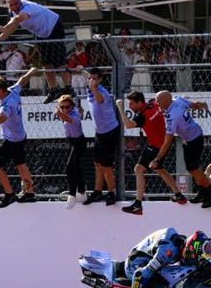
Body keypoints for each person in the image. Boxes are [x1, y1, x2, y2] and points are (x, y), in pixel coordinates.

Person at [0, 0, 73, 104]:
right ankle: (54, 90)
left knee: (60, 61)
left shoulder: (28, 7)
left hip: (54, 26)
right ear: (8, 5)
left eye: (16, 3)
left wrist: (5, 28)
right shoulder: (12, 12)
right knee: (46, 63)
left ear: (20, 1)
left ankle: (69, 88)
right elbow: (12, 28)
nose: (15, 7)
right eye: (11, 5)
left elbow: (17, 20)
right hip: (41, 34)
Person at [116, 91, 187, 215]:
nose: (130, 106)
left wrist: (120, 108)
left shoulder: (143, 115)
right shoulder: (153, 104)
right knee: (159, 169)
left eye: (132, 104)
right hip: (164, 143)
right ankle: (179, 195)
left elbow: (128, 125)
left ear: (139, 103)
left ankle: (138, 204)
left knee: (139, 169)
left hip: (156, 146)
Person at [0, 68, 38, 208]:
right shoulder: (12, 90)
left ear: (0, 90)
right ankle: (30, 193)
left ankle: (9, 193)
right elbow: (22, 80)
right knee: (20, 164)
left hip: (11, 139)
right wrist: (32, 71)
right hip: (20, 136)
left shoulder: (6, 105)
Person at [151, 90, 211, 208]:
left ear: (166, 101)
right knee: (192, 169)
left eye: (158, 101)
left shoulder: (172, 117)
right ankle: (203, 192)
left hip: (193, 140)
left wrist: (157, 159)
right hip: (193, 137)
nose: (157, 104)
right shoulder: (178, 99)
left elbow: (167, 142)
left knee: (193, 169)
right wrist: (201, 105)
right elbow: (192, 105)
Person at [82, 68, 119, 207]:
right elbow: (87, 75)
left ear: (100, 80)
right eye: (90, 78)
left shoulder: (102, 92)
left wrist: (92, 86)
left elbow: (100, 99)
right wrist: (83, 71)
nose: (91, 80)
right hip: (99, 132)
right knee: (97, 163)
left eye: (94, 79)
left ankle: (111, 193)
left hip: (109, 131)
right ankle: (97, 191)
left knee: (106, 165)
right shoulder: (91, 86)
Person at [54, 94, 86, 209]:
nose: (65, 109)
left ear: (72, 106)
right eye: (62, 107)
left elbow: (69, 120)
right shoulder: (66, 113)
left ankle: (72, 195)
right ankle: (82, 192)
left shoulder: (75, 113)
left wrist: (59, 113)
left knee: (69, 168)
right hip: (71, 142)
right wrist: (61, 113)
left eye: (67, 107)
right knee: (76, 167)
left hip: (79, 142)